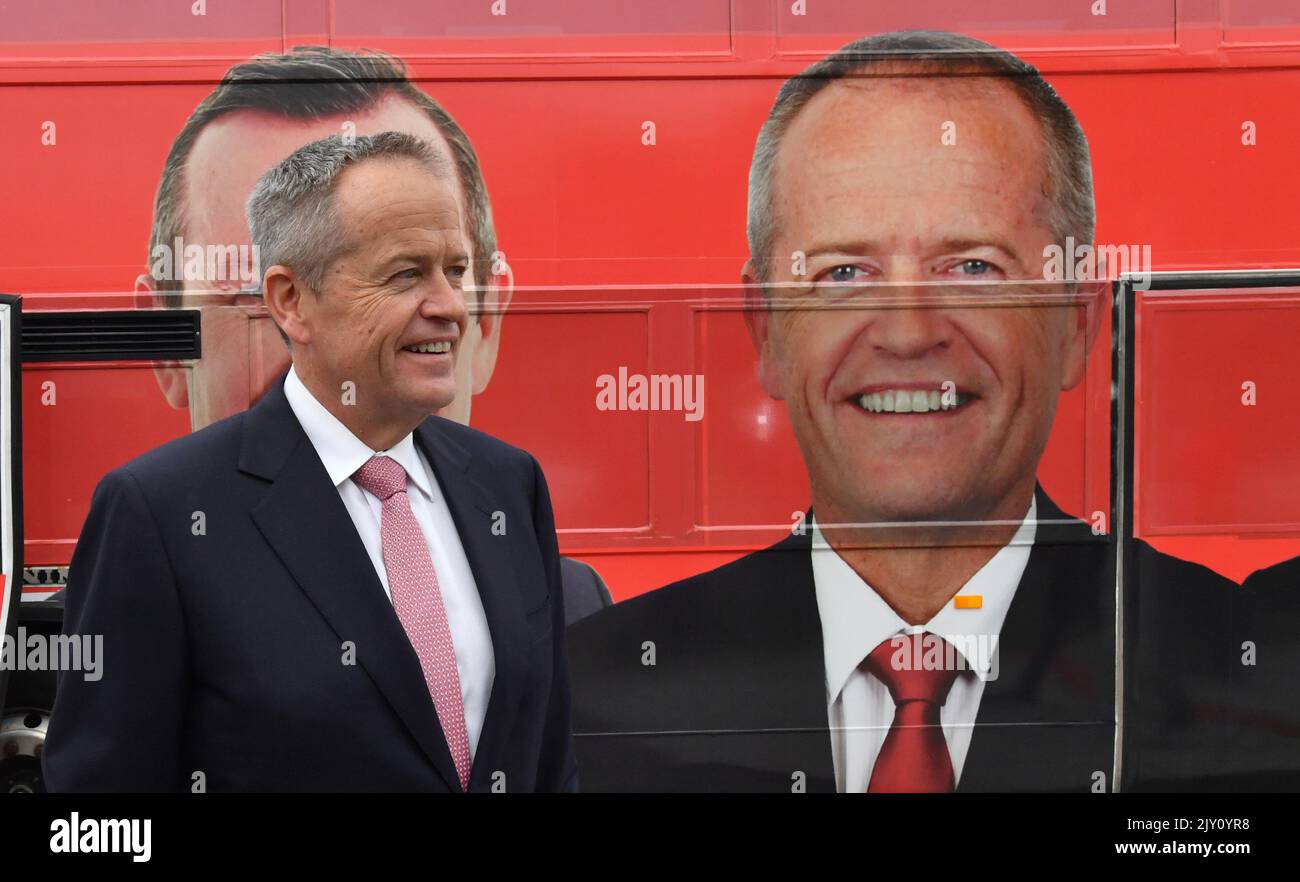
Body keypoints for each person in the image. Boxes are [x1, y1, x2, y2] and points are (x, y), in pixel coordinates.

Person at [567, 30, 1257, 792]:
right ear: (766, 330)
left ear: (1077, 321)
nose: (906, 332)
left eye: (973, 267)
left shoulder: (1248, 680)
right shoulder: (591, 701)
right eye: (843, 273)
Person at [44, 133, 576, 792]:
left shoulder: (509, 485)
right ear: (291, 300)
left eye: (457, 270)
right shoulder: (160, 514)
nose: (448, 306)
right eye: (406, 274)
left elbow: (549, 761)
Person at [136, 46, 609, 623]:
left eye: (452, 273)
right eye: (245, 299)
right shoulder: (148, 554)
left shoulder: (552, 567)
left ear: (486, 322)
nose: (442, 307)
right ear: (168, 344)